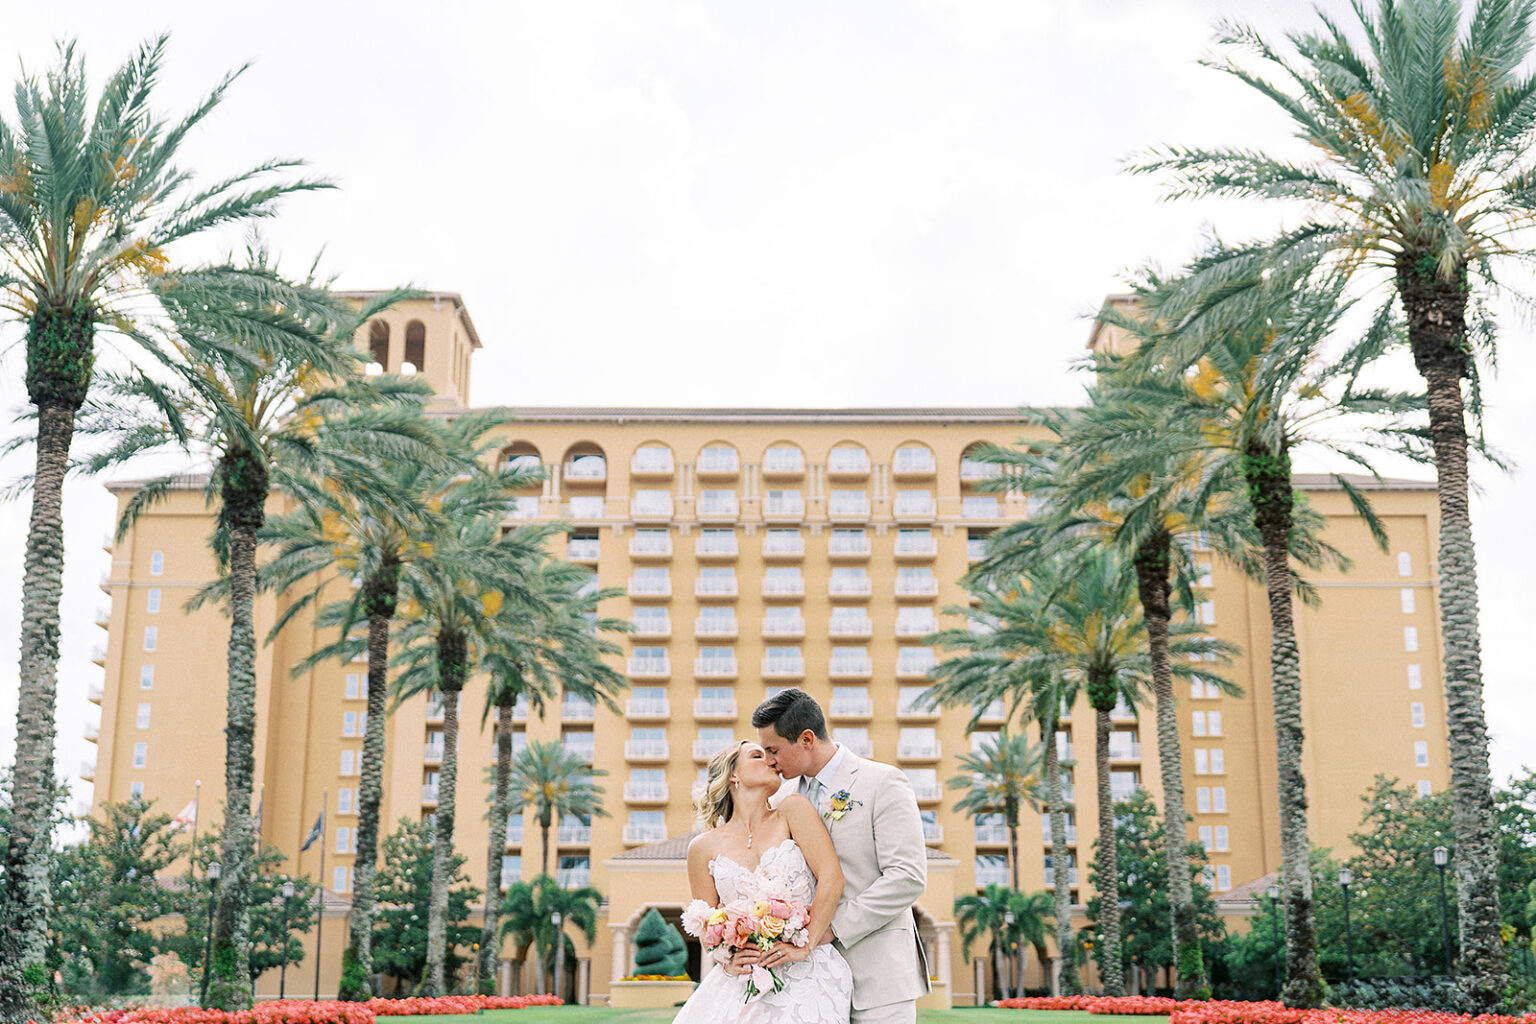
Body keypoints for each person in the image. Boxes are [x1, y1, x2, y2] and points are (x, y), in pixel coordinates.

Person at [750, 687, 930, 1024]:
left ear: (806, 739)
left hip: (879, 979)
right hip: (802, 983)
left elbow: (907, 877)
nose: (769, 760)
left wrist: (828, 928)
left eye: (773, 750)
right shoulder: (781, 799)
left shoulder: (882, 782)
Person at [673, 739, 853, 1024]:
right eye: (758, 755)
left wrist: (806, 946)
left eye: (771, 755)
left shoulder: (793, 810)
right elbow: (706, 924)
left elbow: (832, 878)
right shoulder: (701, 847)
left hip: (809, 973)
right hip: (744, 980)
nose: (771, 760)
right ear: (733, 775)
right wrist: (727, 961)